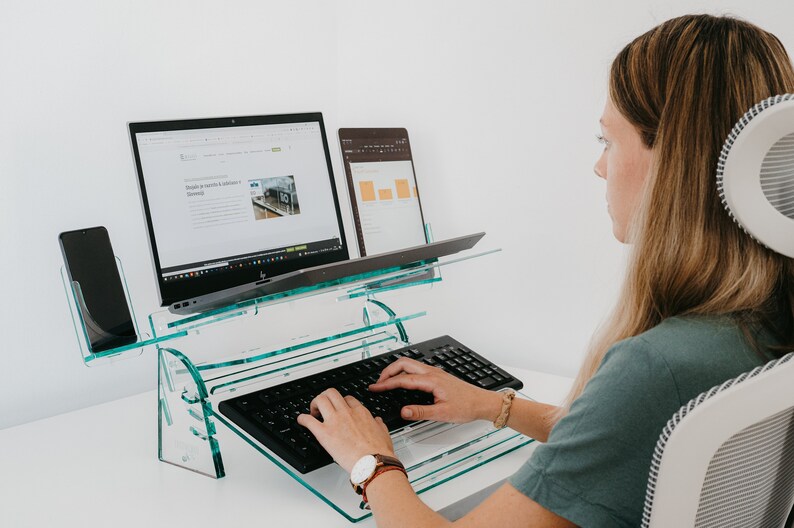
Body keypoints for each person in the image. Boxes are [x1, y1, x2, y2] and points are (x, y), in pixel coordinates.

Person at [297, 14, 794, 527]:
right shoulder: (763, 320)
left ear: (673, 160)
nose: (600, 167)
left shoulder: (655, 366)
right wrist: (496, 406)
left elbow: (634, 407)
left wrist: (370, 461)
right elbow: (628, 436)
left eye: (608, 140)